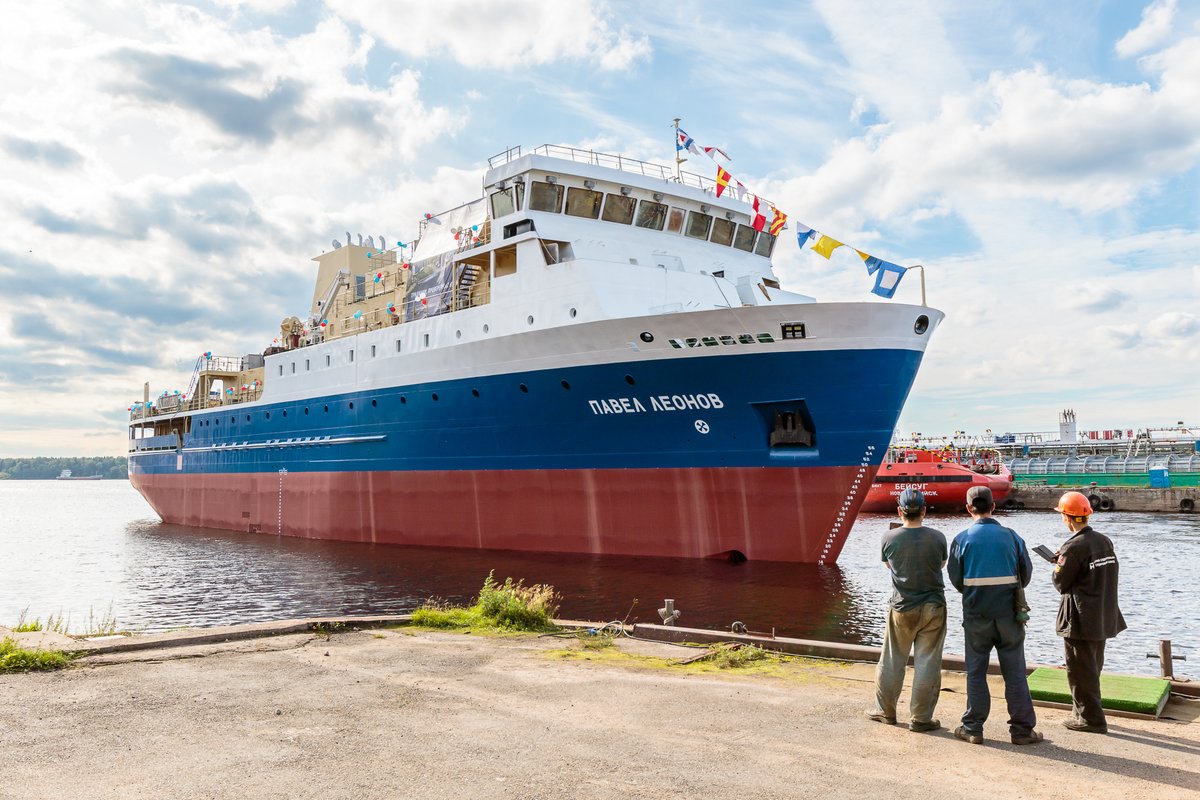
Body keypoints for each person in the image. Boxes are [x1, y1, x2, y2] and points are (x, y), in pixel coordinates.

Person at [947, 486, 1043, 745]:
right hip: (1009, 615)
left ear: (969, 508)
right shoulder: (1012, 537)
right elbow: (1026, 575)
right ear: (993, 506)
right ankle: (1022, 730)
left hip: (976, 614)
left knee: (976, 671)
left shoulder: (961, 539)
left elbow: (956, 579)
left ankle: (973, 728)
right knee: (1014, 672)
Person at [866, 488, 948, 732]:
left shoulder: (889, 538)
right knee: (928, 662)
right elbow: (941, 564)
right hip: (934, 606)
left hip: (901, 606)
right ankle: (921, 718)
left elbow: (887, 565)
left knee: (892, 660)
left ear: (899, 511)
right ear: (924, 510)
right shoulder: (938, 537)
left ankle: (885, 711)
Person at [1051, 491, 1126, 734]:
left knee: (1080, 670)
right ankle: (1083, 711)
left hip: (1080, 618)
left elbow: (1061, 583)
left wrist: (1059, 565)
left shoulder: (1073, 546)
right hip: (1102, 613)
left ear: (1067, 517)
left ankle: (1091, 719)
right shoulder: (1103, 541)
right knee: (1093, 666)